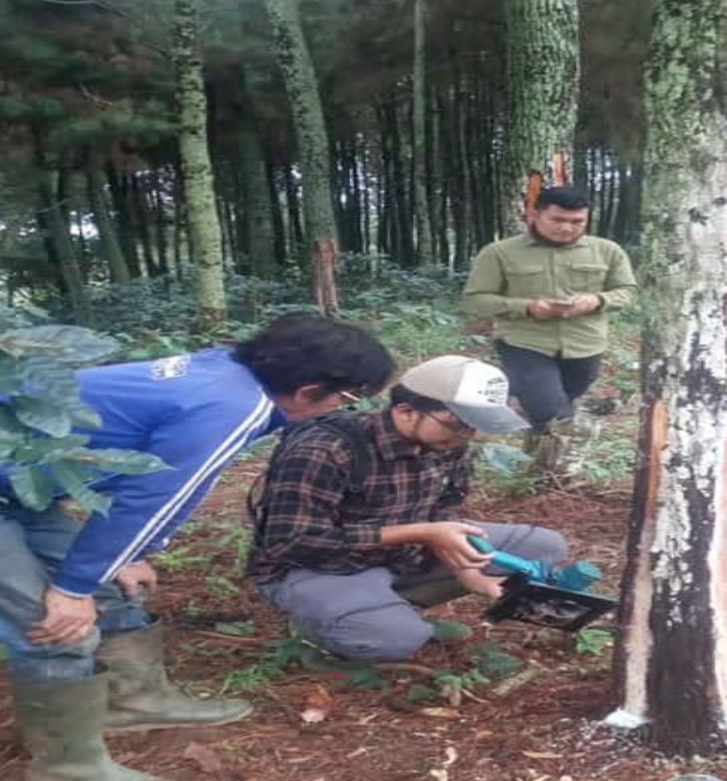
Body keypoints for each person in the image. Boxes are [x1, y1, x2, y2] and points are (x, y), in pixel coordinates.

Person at [0, 313, 393, 781]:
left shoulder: (229, 374)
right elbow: (154, 496)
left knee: (110, 590)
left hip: (15, 487)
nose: (343, 409)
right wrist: (72, 589)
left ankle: (134, 699)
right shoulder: (229, 404)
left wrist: (129, 556)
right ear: (308, 389)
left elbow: (162, 479)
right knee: (56, 627)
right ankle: (68, 768)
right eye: (347, 398)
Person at [246, 355, 570, 661]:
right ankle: (323, 625)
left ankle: (384, 605)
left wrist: (470, 573)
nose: (467, 435)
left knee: (542, 547)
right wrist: (421, 533)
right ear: (406, 411)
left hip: (403, 555)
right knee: (394, 639)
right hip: (321, 567)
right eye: (458, 424)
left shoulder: (446, 442)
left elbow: (446, 505)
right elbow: (291, 542)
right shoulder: (326, 449)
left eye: (475, 427)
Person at [462, 185, 637, 473]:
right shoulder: (499, 253)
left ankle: (532, 461)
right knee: (554, 412)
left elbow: (627, 291)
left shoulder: (607, 251)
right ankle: (556, 476)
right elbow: (475, 300)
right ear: (534, 215)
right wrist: (527, 307)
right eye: (557, 220)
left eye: (577, 221)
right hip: (524, 344)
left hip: (585, 345)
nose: (567, 228)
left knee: (552, 409)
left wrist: (596, 300)